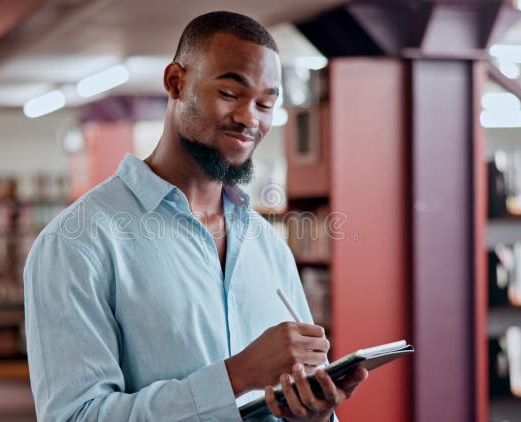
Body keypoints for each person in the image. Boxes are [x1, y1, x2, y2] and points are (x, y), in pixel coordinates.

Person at [24, 11, 367, 421]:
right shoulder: (76, 242)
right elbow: (73, 416)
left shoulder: (269, 245)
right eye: (229, 93)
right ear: (175, 82)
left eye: (265, 104)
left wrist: (311, 413)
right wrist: (237, 376)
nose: (249, 118)